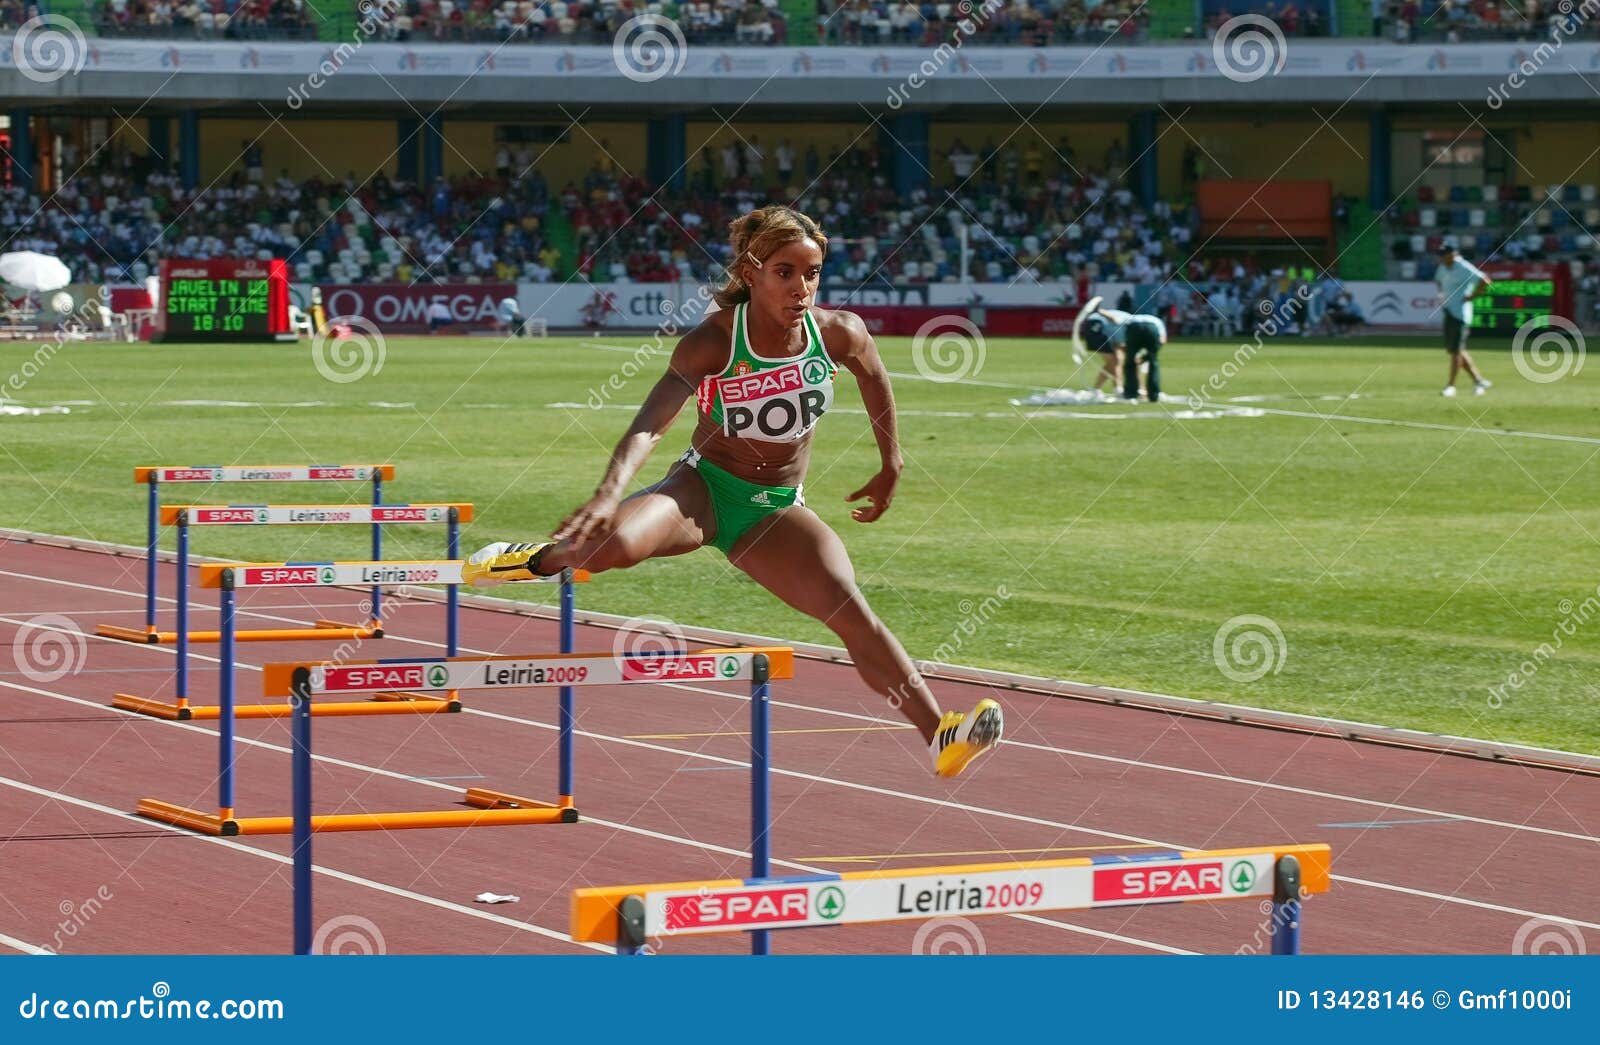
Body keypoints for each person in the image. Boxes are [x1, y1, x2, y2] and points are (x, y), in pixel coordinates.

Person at [464, 206, 1002, 778]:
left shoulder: (839, 332)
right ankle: (536, 560)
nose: (801, 287)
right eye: (784, 271)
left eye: (812, 272)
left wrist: (891, 461)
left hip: (772, 511)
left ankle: (940, 733)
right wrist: (607, 492)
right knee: (611, 546)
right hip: (701, 489)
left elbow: (874, 377)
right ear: (752, 271)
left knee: (850, 609)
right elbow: (651, 422)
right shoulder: (715, 342)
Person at [1435, 238, 1492, 397]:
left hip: (1460, 314)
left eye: (1445, 254)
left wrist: (1472, 297)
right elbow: (1438, 281)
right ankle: (1478, 380)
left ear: (1454, 254)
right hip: (1449, 312)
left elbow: (1485, 281)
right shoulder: (1442, 267)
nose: (1442, 257)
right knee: (1455, 350)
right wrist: (1441, 295)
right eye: (1441, 254)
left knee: (1456, 352)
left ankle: (1451, 386)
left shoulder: (1463, 266)